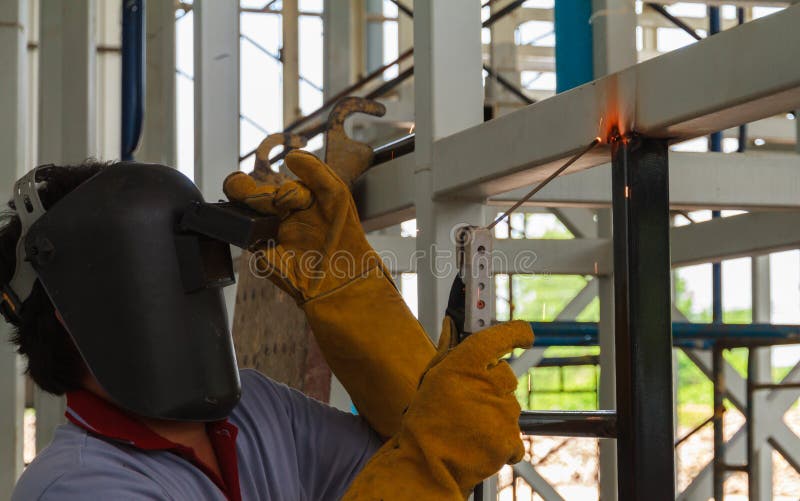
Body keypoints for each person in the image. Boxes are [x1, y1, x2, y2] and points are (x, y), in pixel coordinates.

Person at [4, 152, 532, 500]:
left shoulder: (254, 408)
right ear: (73, 317)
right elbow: (418, 468)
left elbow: (394, 461)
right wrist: (429, 461)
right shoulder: (76, 487)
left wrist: (355, 302)